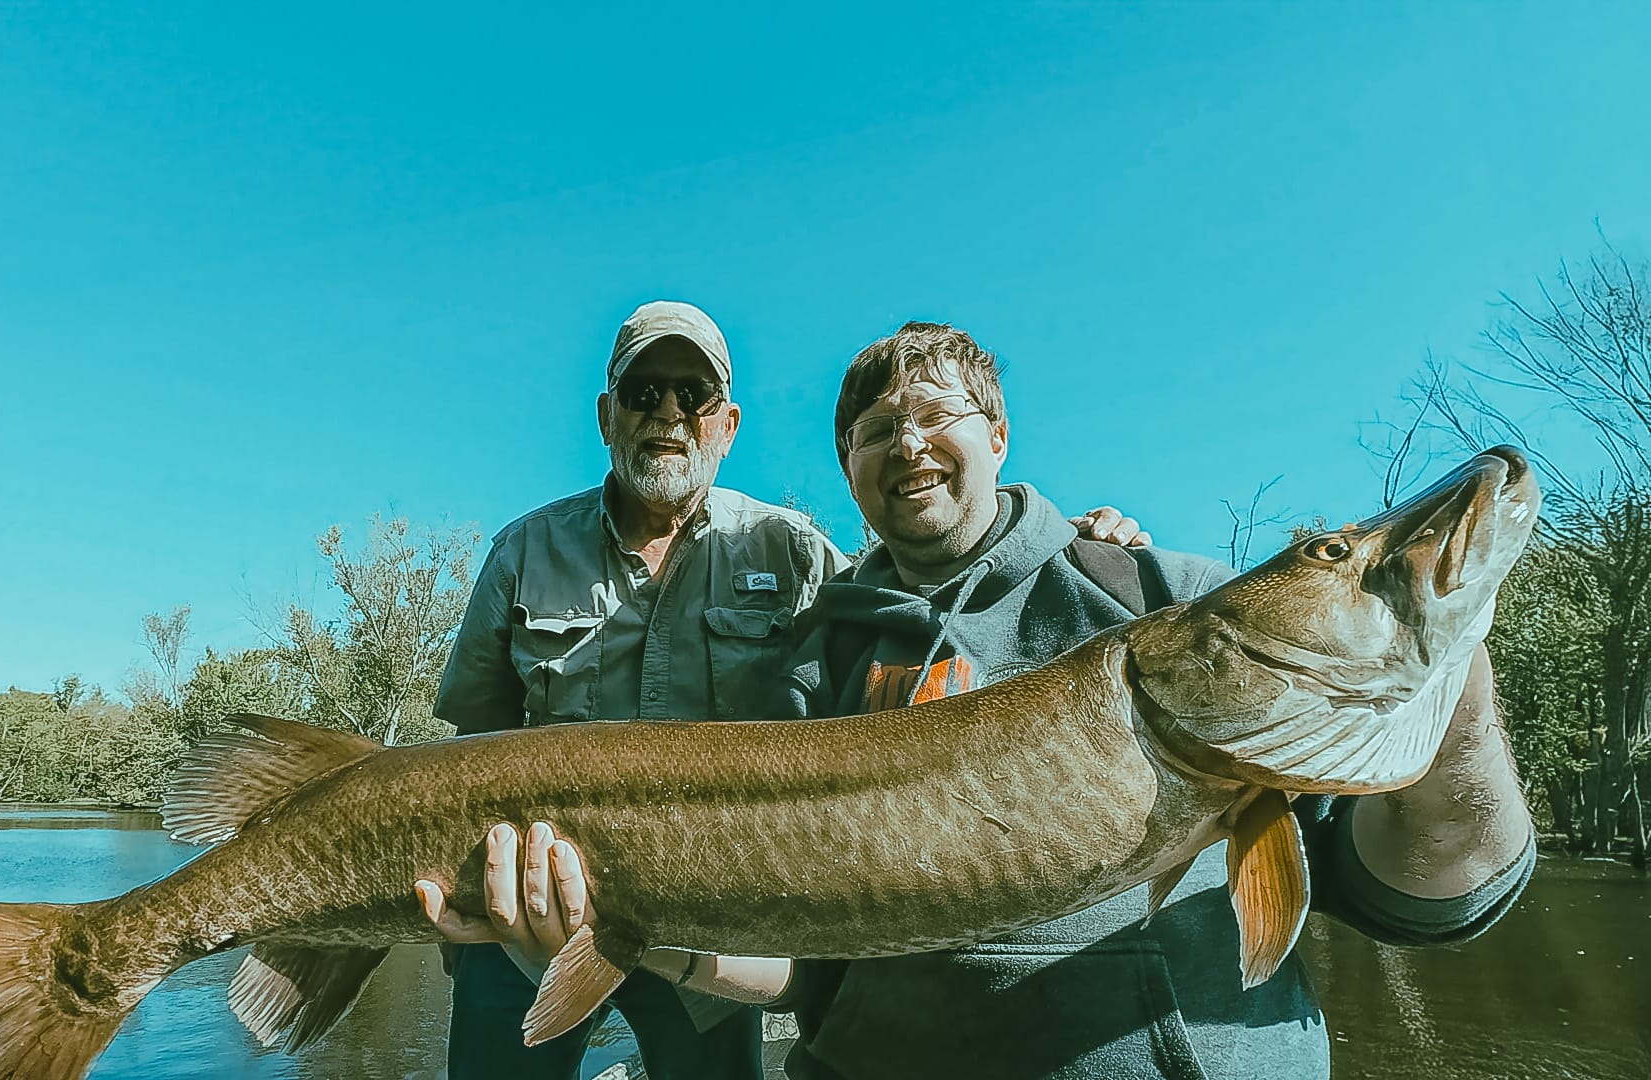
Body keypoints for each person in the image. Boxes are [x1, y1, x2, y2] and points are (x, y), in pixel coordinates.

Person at [425, 321, 1537, 1080]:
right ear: (851, 474)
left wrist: (1450, 666)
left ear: (997, 437)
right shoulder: (813, 661)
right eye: (873, 433)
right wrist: (643, 936)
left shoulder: (1164, 595)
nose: (906, 442)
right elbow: (796, 964)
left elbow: (1428, 894)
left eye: (936, 415)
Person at [428, 299, 849, 1080]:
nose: (668, 413)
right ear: (606, 416)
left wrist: (1065, 554)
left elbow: (911, 618)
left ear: (727, 425)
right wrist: (465, 923)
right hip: (526, 918)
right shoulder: (523, 551)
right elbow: (471, 747)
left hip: (711, 930)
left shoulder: (792, 552)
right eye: (643, 391)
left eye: (695, 395)